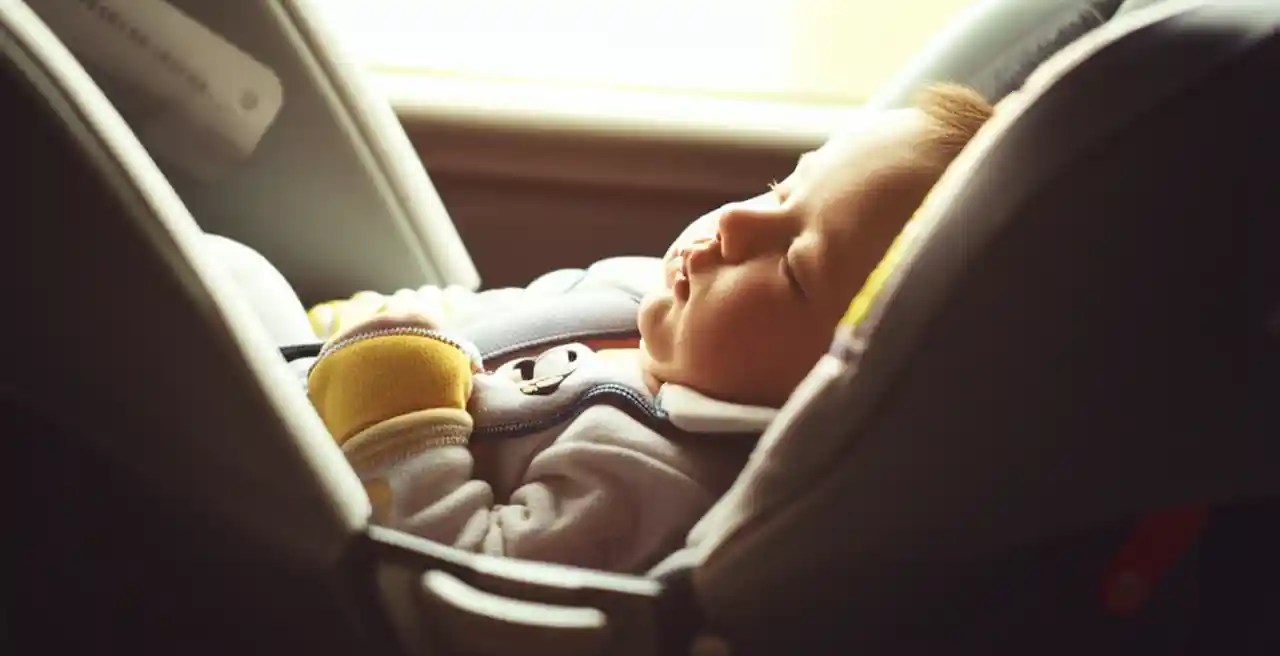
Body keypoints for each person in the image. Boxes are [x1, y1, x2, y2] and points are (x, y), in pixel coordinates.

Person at [306, 84, 995, 572]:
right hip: (312, 370)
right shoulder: (637, 286)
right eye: (782, 189)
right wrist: (359, 320)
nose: (735, 224)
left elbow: (466, 579)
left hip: (309, 500)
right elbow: (485, 315)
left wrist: (396, 413)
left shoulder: (654, 473)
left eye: (794, 267)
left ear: (837, 396)